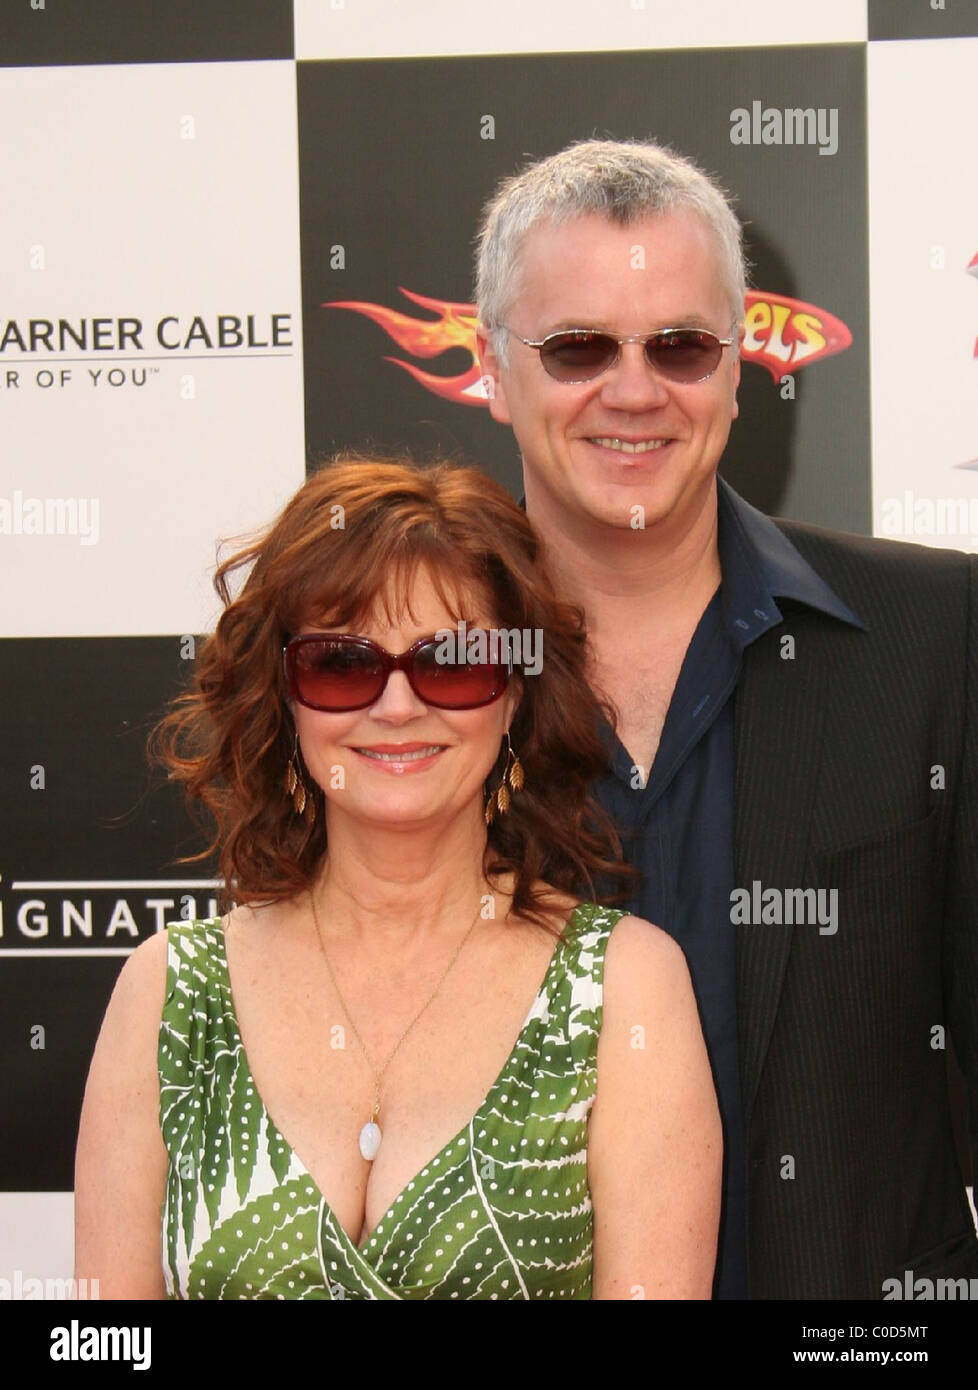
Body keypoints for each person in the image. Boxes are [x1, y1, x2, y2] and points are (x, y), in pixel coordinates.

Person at [474, 138, 978, 1301]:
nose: (634, 390)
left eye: (681, 346)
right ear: (494, 371)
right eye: (579, 347)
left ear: (738, 372)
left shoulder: (933, 637)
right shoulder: (400, 679)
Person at [73, 456, 721, 1300]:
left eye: (451, 662)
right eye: (342, 665)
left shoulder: (626, 987)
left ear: (513, 696)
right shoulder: (169, 993)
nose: (398, 705)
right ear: (285, 698)